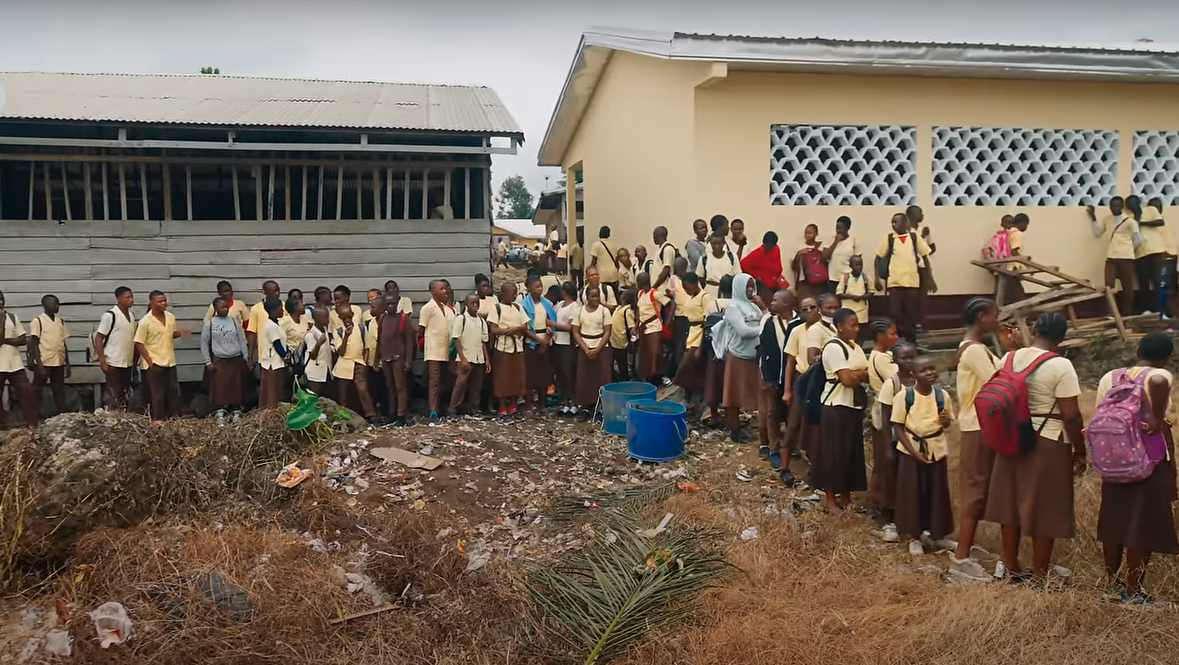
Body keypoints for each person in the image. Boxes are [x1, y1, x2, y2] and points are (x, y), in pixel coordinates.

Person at [985, 312, 1085, 585]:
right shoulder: (1061, 366)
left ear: (1034, 329)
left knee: (1010, 503)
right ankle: (1040, 575)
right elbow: (1072, 416)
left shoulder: (1010, 357)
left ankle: (1011, 567)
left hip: (1011, 435)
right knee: (1045, 507)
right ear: (1062, 337)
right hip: (1047, 439)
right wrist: (1080, 451)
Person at [1096, 333, 1178, 603]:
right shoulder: (1161, 376)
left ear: (1138, 350)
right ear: (1166, 357)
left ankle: (1111, 584)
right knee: (1142, 525)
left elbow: (1099, 411)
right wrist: (1155, 417)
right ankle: (1133, 591)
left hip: (1112, 456)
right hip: (1147, 459)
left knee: (1114, 522)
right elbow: (1156, 381)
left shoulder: (1110, 376)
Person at [952, 297, 1017, 579]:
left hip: (981, 425)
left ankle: (966, 550)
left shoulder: (975, 348)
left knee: (979, 488)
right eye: (994, 315)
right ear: (981, 317)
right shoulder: (974, 351)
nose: (998, 319)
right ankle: (961, 557)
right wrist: (1013, 350)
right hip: (978, 426)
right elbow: (1004, 382)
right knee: (976, 490)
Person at [891, 355, 956, 556]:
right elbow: (898, 427)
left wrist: (945, 421)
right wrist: (914, 453)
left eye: (931, 369)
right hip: (912, 452)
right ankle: (914, 537)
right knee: (913, 494)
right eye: (923, 370)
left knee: (937, 492)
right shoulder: (905, 396)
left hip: (936, 449)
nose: (929, 373)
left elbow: (946, 423)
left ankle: (937, 535)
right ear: (913, 375)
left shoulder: (941, 395)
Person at [810, 307, 869, 513]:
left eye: (857, 325)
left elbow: (863, 375)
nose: (856, 329)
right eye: (852, 325)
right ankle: (830, 499)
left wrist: (857, 374)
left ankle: (846, 496)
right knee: (833, 453)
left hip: (852, 406)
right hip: (836, 406)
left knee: (849, 452)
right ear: (840, 327)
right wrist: (860, 374)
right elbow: (847, 379)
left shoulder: (854, 347)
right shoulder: (834, 348)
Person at [875, 340, 916, 543]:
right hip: (894, 439)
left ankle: (911, 520)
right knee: (891, 479)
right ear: (895, 360)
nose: (909, 362)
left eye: (912, 357)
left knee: (910, 481)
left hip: (915, 440)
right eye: (904, 358)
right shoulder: (892, 383)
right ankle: (889, 520)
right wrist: (887, 448)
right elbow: (885, 417)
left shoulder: (919, 381)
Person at [719, 274, 765, 443]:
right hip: (739, 355)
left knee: (755, 391)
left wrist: (763, 307)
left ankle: (758, 428)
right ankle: (735, 429)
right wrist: (762, 329)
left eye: (752, 286)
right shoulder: (733, 307)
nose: (750, 290)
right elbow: (743, 331)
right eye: (747, 286)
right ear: (738, 287)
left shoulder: (754, 306)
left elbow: (767, 319)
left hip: (754, 356)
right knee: (733, 395)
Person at [875, 212, 934, 342]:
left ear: (905, 223)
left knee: (911, 314)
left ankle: (911, 340)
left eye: (896, 222)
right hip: (894, 283)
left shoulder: (914, 237)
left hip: (912, 283)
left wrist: (930, 278)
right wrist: (877, 278)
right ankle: (897, 340)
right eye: (892, 222)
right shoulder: (889, 238)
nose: (893, 224)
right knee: (895, 313)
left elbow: (925, 257)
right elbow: (878, 258)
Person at [134, 290, 190, 420]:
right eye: (160, 301)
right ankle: (158, 420)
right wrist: (149, 361)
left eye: (164, 300)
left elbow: (168, 334)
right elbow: (138, 342)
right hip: (155, 362)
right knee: (158, 394)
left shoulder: (170, 317)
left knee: (173, 391)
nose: (163, 303)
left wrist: (184, 333)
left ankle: (174, 417)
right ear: (152, 303)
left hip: (170, 361)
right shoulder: (145, 322)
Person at [757, 289, 797, 471]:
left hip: (793, 378)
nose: (771, 304)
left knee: (791, 413)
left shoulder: (799, 323)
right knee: (772, 412)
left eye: (775, 300)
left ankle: (790, 444)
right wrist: (767, 377)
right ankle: (774, 448)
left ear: (786, 304)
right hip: (774, 377)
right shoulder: (770, 323)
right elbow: (765, 352)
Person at [781, 295, 819, 466]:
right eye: (805, 309)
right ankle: (784, 467)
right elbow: (790, 362)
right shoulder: (797, 331)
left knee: (815, 423)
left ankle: (814, 464)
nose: (809, 312)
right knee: (794, 422)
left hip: (819, 382)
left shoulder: (829, 330)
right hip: (801, 380)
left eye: (813, 307)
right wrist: (788, 390)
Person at [1088, 197, 1140, 318]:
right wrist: (1093, 217)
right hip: (1111, 257)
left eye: (1116, 206)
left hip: (1126, 258)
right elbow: (1098, 233)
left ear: (1121, 206)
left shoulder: (1130, 221)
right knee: (1108, 286)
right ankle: (1110, 313)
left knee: (1128, 288)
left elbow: (1138, 240)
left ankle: (1127, 314)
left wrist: (1127, 250)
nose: (1113, 209)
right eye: (1111, 206)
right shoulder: (1107, 219)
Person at [487, 283, 532, 418]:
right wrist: (510, 330)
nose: (514, 295)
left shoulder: (518, 307)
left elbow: (525, 325)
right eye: (512, 292)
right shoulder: (497, 309)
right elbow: (494, 328)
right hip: (503, 347)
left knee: (516, 377)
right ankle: (502, 406)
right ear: (504, 293)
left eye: (515, 292)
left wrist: (516, 329)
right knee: (502, 377)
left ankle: (513, 404)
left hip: (517, 348)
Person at [201, 296, 249, 418]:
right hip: (220, 359)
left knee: (236, 387)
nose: (225, 309)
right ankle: (220, 412)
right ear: (216, 308)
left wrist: (246, 356)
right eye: (222, 307)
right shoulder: (210, 323)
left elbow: (241, 340)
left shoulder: (234, 321)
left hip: (235, 359)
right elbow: (204, 343)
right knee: (220, 387)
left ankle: (236, 411)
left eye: (227, 307)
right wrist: (208, 362)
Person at [331, 301, 379, 424]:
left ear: (353, 315)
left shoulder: (361, 328)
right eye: (344, 317)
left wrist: (365, 362)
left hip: (358, 363)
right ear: (339, 317)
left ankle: (371, 414)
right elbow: (340, 352)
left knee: (363, 389)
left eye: (349, 317)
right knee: (343, 393)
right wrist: (346, 336)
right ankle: (344, 417)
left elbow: (367, 347)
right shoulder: (339, 331)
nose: (348, 320)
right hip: (343, 365)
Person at [572, 284, 613, 421]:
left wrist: (597, 349)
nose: (596, 299)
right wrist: (586, 349)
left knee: (602, 378)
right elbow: (576, 332)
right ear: (587, 297)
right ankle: (585, 408)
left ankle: (601, 408)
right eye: (593, 296)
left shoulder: (604, 311)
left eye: (598, 296)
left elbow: (607, 331)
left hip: (601, 347)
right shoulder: (579, 311)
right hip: (585, 347)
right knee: (584, 379)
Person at [419, 279, 457, 422]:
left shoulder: (447, 309)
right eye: (441, 289)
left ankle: (443, 407)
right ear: (433, 291)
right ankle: (433, 411)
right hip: (434, 351)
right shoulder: (428, 308)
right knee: (434, 381)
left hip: (447, 350)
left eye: (445, 289)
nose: (445, 291)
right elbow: (421, 330)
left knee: (445, 379)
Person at [94, 286, 137, 410]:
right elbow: (99, 338)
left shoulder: (131, 315)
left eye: (132, 297)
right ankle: (112, 417)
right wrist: (102, 361)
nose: (131, 300)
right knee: (114, 393)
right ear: (119, 299)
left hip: (127, 362)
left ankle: (122, 417)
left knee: (124, 393)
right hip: (113, 361)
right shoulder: (110, 315)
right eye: (128, 297)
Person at [671, 273, 713, 401]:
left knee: (686, 365)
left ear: (695, 283)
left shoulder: (704, 297)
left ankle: (689, 396)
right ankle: (690, 396)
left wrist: (701, 346)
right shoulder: (691, 298)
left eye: (687, 286)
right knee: (693, 367)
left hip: (699, 334)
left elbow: (707, 320)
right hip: (690, 333)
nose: (685, 290)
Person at [28, 294, 70, 417]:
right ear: (45, 305)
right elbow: (34, 344)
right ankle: (33, 416)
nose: (57, 306)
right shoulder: (38, 321)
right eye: (54, 304)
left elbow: (63, 343)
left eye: (58, 304)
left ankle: (62, 415)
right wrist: (39, 365)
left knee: (58, 390)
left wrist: (67, 364)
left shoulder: (60, 321)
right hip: (44, 362)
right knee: (36, 389)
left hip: (58, 362)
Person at [520, 274, 557, 415]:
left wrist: (546, 340)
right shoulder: (524, 305)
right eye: (536, 286)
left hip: (545, 341)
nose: (540, 289)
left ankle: (542, 405)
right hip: (531, 343)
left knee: (544, 376)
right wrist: (538, 341)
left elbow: (552, 322)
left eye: (541, 286)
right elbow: (525, 328)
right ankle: (529, 406)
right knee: (530, 376)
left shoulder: (546, 304)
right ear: (529, 288)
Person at [450, 293, 491, 416]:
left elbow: (484, 342)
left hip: (479, 358)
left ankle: (474, 408)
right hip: (466, 358)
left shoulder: (482, 322)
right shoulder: (461, 319)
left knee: (476, 386)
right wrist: (462, 358)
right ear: (466, 304)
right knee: (460, 385)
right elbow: (456, 339)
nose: (475, 305)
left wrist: (487, 360)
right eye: (472, 303)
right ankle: (453, 408)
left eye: (477, 302)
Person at [703, 276, 735, 428]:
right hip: (732, 350)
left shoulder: (712, 304)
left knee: (712, 380)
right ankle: (731, 418)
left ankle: (714, 414)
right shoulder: (738, 305)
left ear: (720, 289)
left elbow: (706, 324)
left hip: (714, 349)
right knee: (730, 382)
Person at [0, 291, 36, 427]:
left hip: (15, 364)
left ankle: (31, 424)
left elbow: (23, 340)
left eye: (2, 299)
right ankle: (3, 424)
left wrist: (6, 340)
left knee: (27, 393)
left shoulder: (13, 317)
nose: (1, 302)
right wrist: (2, 322)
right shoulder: (4, 318)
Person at [1132, 195, 1169, 315]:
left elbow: (1160, 221)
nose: (1133, 206)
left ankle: (1160, 309)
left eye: (1135, 203)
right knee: (1143, 282)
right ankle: (1145, 310)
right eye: (1130, 204)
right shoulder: (1128, 217)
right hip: (1140, 253)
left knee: (1157, 280)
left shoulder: (1150, 210)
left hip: (1156, 250)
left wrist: (1140, 223)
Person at [634, 271, 669, 384]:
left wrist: (668, 321)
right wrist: (636, 326)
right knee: (646, 354)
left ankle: (662, 376)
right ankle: (649, 377)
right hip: (643, 327)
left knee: (655, 352)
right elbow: (639, 310)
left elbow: (670, 303)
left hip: (654, 326)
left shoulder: (654, 294)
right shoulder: (640, 294)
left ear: (643, 282)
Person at [551, 282, 580, 416]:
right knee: (561, 375)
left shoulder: (574, 307)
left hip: (567, 344)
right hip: (557, 342)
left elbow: (571, 327)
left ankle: (575, 403)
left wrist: (553, 324)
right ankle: (565, 403)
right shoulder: (559, 305)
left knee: (569, 374)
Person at [907, 205, 935, 332]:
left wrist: (924, 241)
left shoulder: (925, 230)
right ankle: (911, 323)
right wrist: (921, 237)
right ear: (912, 215)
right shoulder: (906, 230)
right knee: (911, 297)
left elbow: (932, 248)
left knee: (923, 297)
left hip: (922, 267)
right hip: (909, 268)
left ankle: (922, 323)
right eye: (920, 213)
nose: (922, 215)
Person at [258, 299, 291, 409]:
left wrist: (288, 352)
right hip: (272, 364)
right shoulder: (271, 326)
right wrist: (285, 356)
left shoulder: (276, 324)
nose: (282, 310)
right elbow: (277, 344)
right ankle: (270, 413)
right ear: (273, 310)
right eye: (280, 308)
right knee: (272, 392)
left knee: (277, 390)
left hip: (278, 363)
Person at [247, 280, 285, 368]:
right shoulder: (256, 309)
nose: (278, 293)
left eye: (278, 290)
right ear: (265, 292)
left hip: (282, 356)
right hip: (265, 357)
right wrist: (250, 357)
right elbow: (252, 333)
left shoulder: (283, 307)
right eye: (275, 291)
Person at [741, 231, 786, 304]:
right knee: (770, 301)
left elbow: (778, 266)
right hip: (763, 285)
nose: (769, 249)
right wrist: (755, 276)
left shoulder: (776, 249)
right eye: (768, 247)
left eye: (771, 247)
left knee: (784, 298)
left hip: (776, 282)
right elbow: (743, 264)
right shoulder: (757, 253)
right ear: (763, 243)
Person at [698, 232, 740, 300]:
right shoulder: (704, 258)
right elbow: (700, 278)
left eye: (719, 243)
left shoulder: (732, 257)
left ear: (724, 243)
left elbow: (737, 275)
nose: (716, 246)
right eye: (713, 244)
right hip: (710, 292)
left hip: (727, 293)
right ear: (710, 244)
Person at [835, 255, 871, 335]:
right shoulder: (845, 277)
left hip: (862, 308)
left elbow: (871, 292)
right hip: (848, 307)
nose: (859, 267)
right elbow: (839, 293)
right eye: (857, 265)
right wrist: (852, 297)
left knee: (861, 330)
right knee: (848, 327)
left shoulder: (866, 278)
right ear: (850, 266)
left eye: (861, 264)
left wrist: (863, 297)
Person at [1000, 213, 1030, 305]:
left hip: (1004, 267)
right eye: (1026, 225)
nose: (1026, 227)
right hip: (1012, 268)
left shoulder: (1007, 233)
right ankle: (1022, 317)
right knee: (1019, 297)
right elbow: (1014, 251)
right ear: (1023, 223)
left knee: (1008, 295)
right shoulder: (1017, 234)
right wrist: (1027, 264)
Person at [303, 307, 332, 398]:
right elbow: (312, 356)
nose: (328, 319)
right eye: (325, 317)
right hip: (315, 373)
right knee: (313, 397)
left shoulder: (324, 330)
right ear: (317, 319)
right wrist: (318, 344)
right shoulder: (311, 334)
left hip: (326, 371)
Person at [823, 216, 858, 294]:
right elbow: (824, 257)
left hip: (847, 279)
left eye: (841, 228)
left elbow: (858, 262)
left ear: (848, 228)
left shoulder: (853, 240)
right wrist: (835, 242)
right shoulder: (831, 240)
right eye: (837, 228)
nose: (838, 231)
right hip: (833, 279)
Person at [805, 293, 840, 367]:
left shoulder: (834, 327)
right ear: (818, 309)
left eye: (836, 308)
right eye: (828, 308)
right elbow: (812, 360)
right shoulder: (815, 330)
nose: (833, 311)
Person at [792, 224, 826, 300]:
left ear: (816, 234)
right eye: (806, 233)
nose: (807, 235)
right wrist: (799, 254)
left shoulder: (821, 246)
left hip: (819, 282)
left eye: (810, 233)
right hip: (803, 281)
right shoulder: (799, 247)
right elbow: (794, 267)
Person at [610, 289, 637, 382]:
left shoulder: (627, 311)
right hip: (614, 341)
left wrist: (632, 342)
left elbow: (632, 328)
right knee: (616, 363)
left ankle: (625, 382)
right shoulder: (618, 308)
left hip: (621, 343)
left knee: (623, 365)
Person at [589, 225, 622, 293]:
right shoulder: (614, 244)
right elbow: (616, 261)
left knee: (603, 294)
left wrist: (589, 273)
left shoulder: (596, 245)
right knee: (613, 294)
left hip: (602, 275)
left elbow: (594, 262)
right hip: (613, 274)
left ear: (600, 233)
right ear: (609, 234)